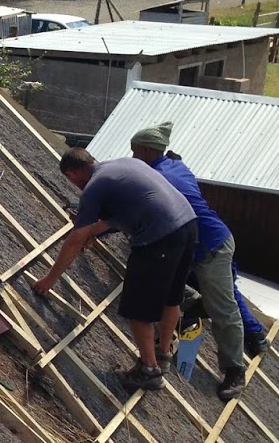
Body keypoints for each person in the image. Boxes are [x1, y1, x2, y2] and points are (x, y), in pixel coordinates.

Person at [33, 148, 197, 393]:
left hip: (159, 237)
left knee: (137, 307)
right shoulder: (123, 167)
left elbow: (75, 239)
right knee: (171, 298)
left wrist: (50, 279)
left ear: (72, 174)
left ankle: (149, 371)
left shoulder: (94, 187)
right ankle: (163, 354)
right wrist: (93, 231)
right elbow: (123, 215)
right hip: (188, 226)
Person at [128, 124, 249, 401]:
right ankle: (194, 299)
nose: (133, 158)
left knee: (223, 309)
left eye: (135, 152)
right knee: (165, 288)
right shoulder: (173, 166)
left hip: (210, 246)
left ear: (147, 150)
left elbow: (137, 211)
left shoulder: (158, 178)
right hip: (184, 246)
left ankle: (234, 370)